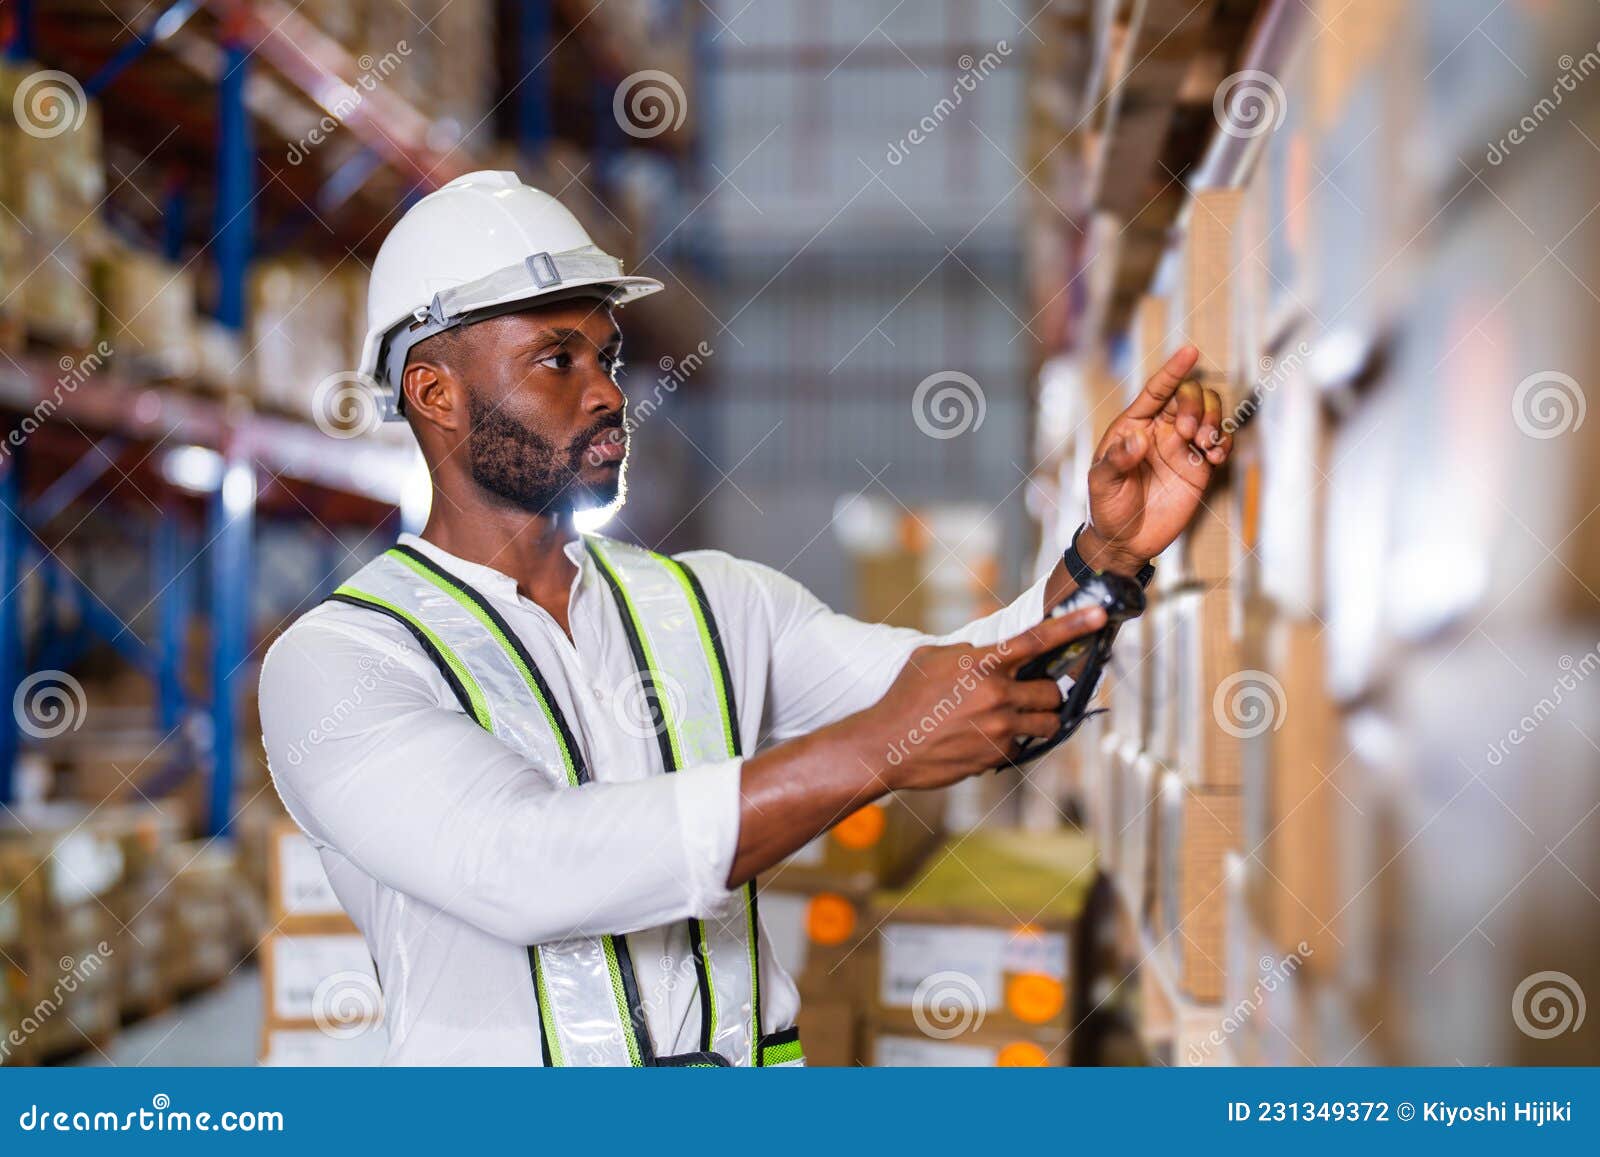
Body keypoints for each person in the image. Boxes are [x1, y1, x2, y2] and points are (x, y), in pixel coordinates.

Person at [258, 171, 1233, 1066]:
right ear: (434, 392)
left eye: (607, 355)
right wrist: (877, 748)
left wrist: (1107, 552)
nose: (606, 393)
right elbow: (521, 867)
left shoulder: (711, 603)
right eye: (556, 359)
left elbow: (983, 692)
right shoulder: (341, 661)